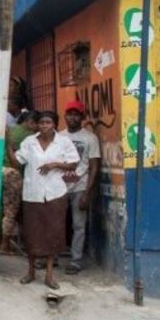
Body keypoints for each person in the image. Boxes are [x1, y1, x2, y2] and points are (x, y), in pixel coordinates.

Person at [14, 111, 80, 289]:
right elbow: (17, 161)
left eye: (48, 122)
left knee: (53, 233)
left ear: (54, 124)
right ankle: (31, 271)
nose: (44, 126)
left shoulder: (64, 142)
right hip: (32, 193)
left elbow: (74, 163)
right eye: (41, 123)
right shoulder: (29, 142)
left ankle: (50, 275)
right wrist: (4, 145)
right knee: (32, 233)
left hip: (55, 193)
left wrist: (54, 164)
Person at [57, 100, 101, 275]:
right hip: (59, 186)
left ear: (81, 117)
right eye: (69, 114)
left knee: (78, 225)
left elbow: (94, 166)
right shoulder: (59, 137)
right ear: (65, 116)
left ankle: (75, 260)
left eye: (76, 114)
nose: (72, 117)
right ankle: (53, 257)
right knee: (56, 223)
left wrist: (87, 194)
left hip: (80, 186)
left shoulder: (90, 138)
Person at [0, 110, 37, 255]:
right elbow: (17, 159)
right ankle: (5, 245)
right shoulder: (30, 136)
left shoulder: (9, 130)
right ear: (31, 122)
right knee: (11, 211)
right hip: (12, 173)